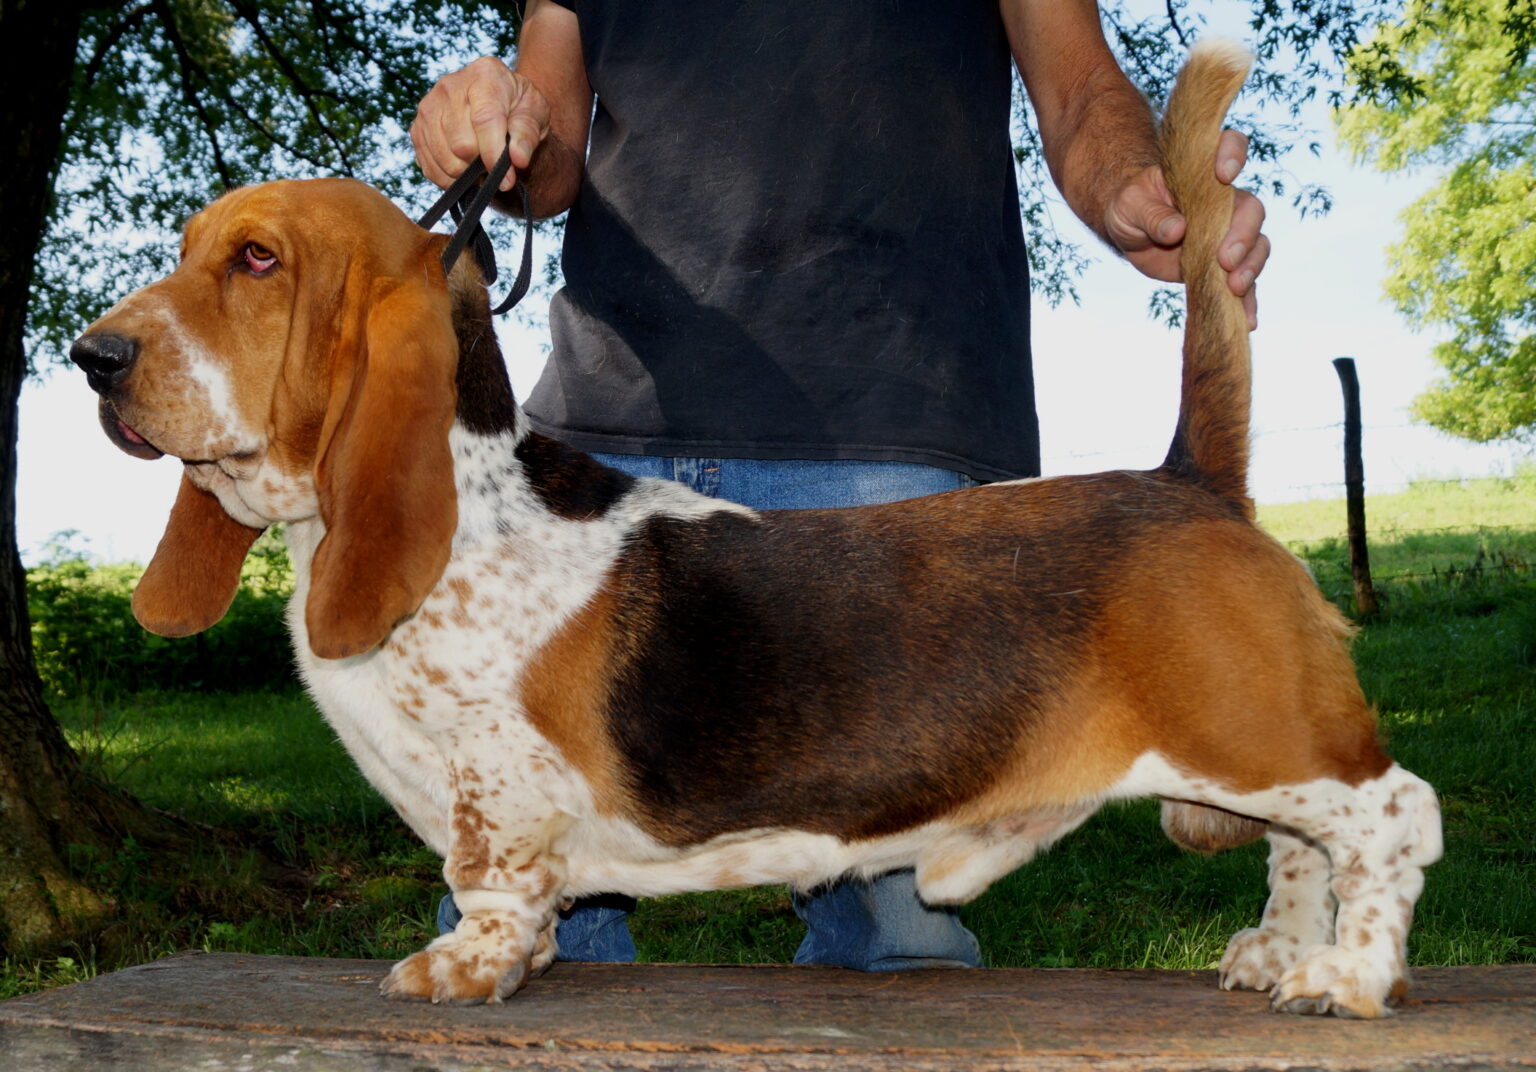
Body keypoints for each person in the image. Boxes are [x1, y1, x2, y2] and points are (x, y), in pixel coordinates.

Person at [414, 0, 1269, 969]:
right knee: (515, 934)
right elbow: (552, 148)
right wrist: (496, 126)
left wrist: (1132, 189)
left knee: (898, 947)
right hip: (607, 443)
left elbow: (1079, 91)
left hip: (893, 431)